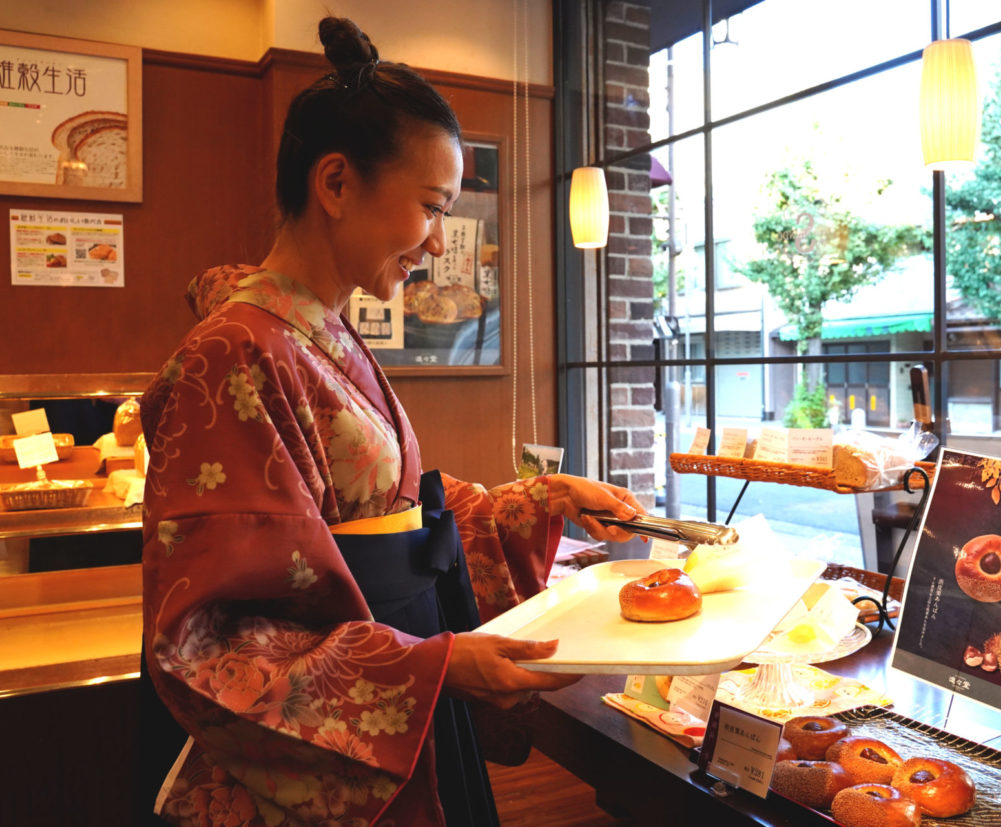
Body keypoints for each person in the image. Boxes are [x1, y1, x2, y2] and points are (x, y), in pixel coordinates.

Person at [138, 17, 644, 826]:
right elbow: (215, 633)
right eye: (431, 207)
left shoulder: (321, 334)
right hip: (382, 692)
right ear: (336, 184)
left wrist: (539, 499)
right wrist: (433, 668)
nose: (437, 243)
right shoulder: (232, 353)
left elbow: (400, 518)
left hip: (412, 667)